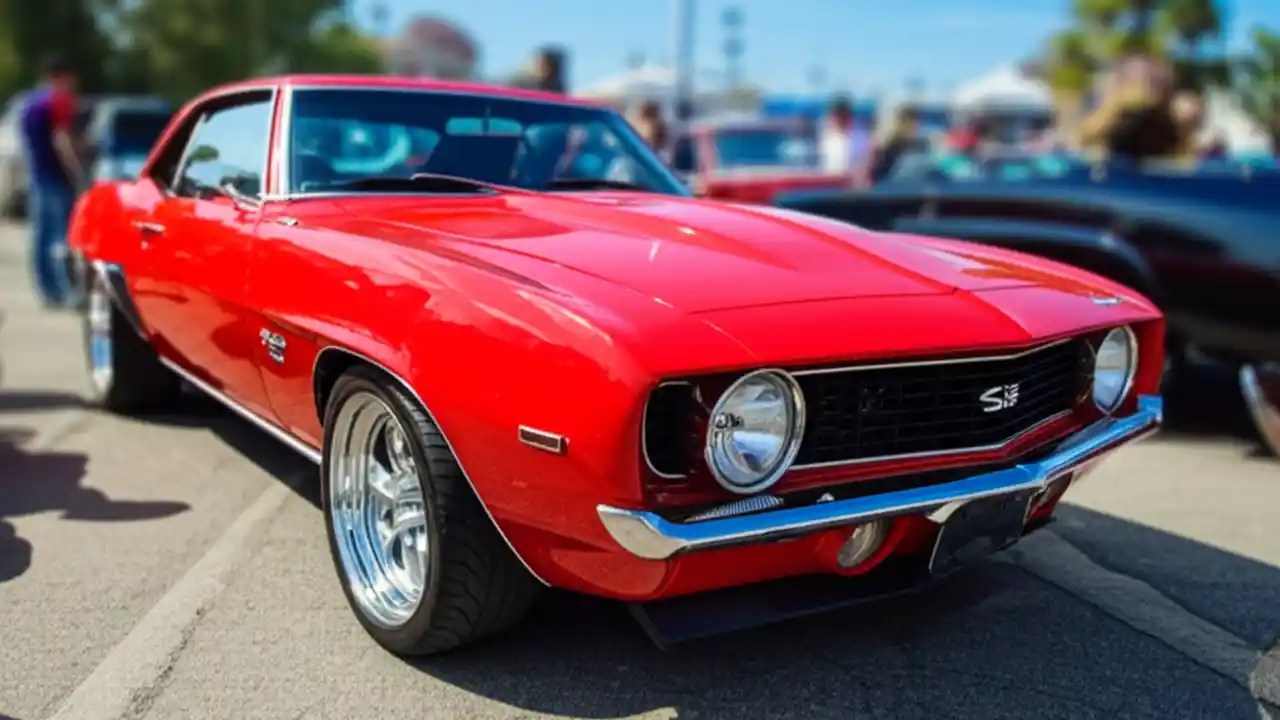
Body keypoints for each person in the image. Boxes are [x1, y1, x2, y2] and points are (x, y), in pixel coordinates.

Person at [19, 55, 85, 308]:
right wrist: (76, 170)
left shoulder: (30, 104)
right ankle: (66, 291)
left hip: (37, 175)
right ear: (61, 77)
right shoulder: (58, 102)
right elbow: (62, 139)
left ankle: (47, 291)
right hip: (56, 177)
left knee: (41, 236)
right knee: (61, 237)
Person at [869, 104, 929, 182]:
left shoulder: (921, 144)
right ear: (901, 124)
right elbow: (881, 174)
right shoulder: (892, 145)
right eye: (908, 124)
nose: (912, 128)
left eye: (914, 124)